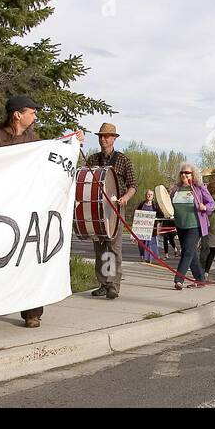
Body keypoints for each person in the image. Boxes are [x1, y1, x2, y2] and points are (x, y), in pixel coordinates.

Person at [0, 96, 85, 330]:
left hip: (28, 210)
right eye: (32, 112)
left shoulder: (34, 141)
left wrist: (72, 142)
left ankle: (32, 313)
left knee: (30, 260)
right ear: (17, 114)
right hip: (0, 211)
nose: (35, 116)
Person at [84, 123, 136, 299]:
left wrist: (125, 198)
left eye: (107, 136)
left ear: (114, 139)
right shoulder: (92, 160)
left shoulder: (123, 160)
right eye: (101, 136)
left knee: (113, 248)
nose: (103, 139)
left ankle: (113, 285)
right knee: (100, 248)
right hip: (96, 210)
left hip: (115, 209)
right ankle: (103, 283)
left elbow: (132, 186)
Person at [170, 164, 215, 289]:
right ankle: (200, 279)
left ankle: (179, 279)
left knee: (187, 251)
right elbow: (168, 204)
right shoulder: (176, 189)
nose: (184, 175)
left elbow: (212, 203)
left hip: (195, 225)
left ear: (193, 174)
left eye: (187, 173)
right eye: (182, 173)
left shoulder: (199, 188)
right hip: (180, 225)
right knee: (191, 253)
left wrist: (205, 207)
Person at [135, 190, 161, 262]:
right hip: (142, 228)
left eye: (151, 194)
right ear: (145, 195)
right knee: (142, 243)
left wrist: (158, 226)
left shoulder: (155, 205)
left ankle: (151, 258)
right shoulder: (141, 204)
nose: (149, 196)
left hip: (152, 228)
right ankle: (142, 256)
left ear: (153, 196)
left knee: (151, 243)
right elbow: (137, 214)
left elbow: (159, 216)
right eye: (148, 194)